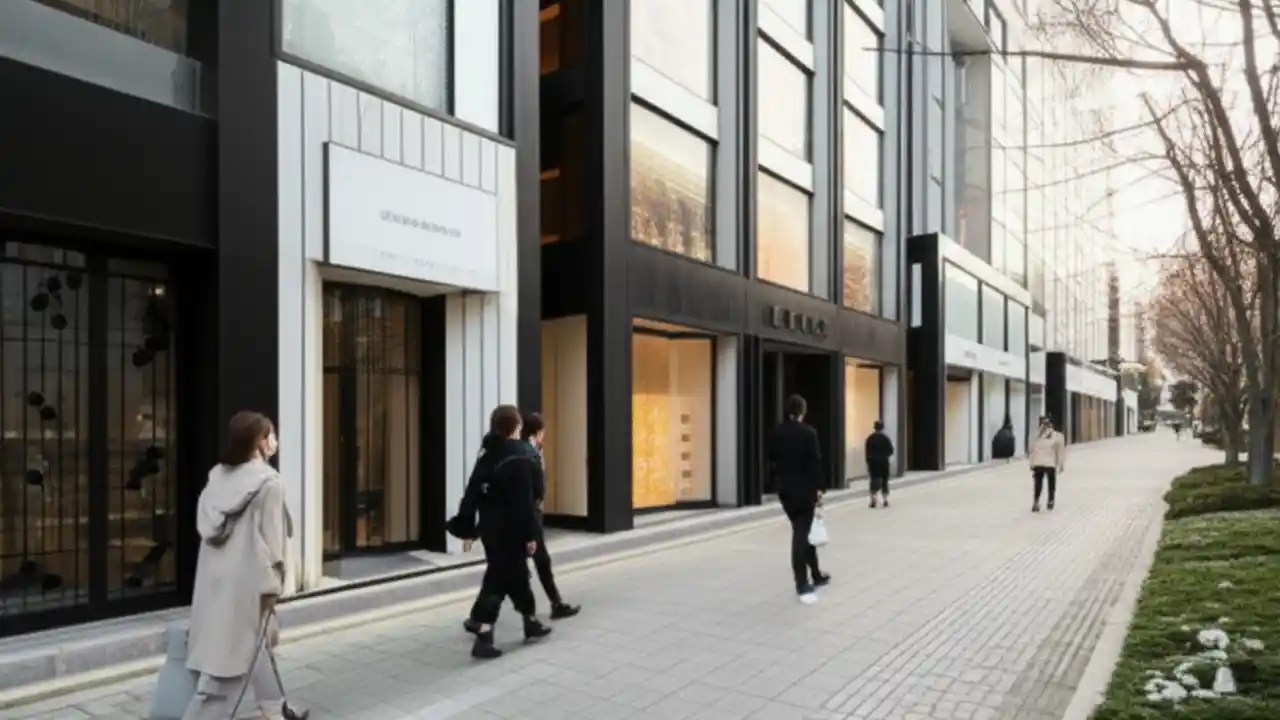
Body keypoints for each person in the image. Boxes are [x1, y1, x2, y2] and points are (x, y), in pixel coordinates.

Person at [183, 412, 308, 720]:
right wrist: (275, 585)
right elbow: (274, 542)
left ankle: (274, 708)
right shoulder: (268, 484)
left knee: (252, 642)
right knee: (232, 661)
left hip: (215, 582)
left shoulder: (217, 477)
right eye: (271, 435)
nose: (275, 441)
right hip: (251, 583)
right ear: (259, 442)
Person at [451, 406, 551, 659]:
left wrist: (466, 525)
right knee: (501, 578)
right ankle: (484, 632)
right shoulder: (525, 455)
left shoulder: (487, 455)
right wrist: (530, 535)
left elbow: (471, 492)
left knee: (512, 574)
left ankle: (529, 621)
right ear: (517, 427)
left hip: (490, 530)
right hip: (515, 529)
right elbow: (530, 499)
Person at [768, 394, 829, 603]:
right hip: (804, 490)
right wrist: (820, 488)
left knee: (804, 529)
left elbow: (771, 460)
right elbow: (814, 463)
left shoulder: (777, 432)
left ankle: (817, 574)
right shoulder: (808, 433)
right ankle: (802, 583)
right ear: (803, 411)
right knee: (801, 534)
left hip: (785, 490)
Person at [521, 413, 581, 620]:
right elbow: (538, 488)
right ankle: (552, 606)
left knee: (511, 568)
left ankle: (480, 616)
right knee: (539, 561)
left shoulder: (528, 450)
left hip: (524, 515)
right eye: (543, 431)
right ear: (537, 432)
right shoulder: (531, 453)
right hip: (530, 515)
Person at [1028, 415, 1066, 512]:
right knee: (1051, 482)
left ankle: (1036, 502)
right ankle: (1050, 500)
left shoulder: (1037, 436)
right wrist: (1061, 464)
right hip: (1049, 464)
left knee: (1038, 483)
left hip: (1038, 463)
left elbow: (1032, 451)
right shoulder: (1058, 436)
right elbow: (1060, 452)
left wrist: (1031, 463)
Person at [864, 421, 895, 509]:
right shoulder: (885, 438)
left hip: (873, 462)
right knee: (885, 481)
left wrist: (868, 462)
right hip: (883, 462)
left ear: (874, 427)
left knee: (873, 480)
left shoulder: (870, 438)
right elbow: (891, 451)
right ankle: (885, 500)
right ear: (882, 428)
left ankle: (873, 500)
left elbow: (867, 452)